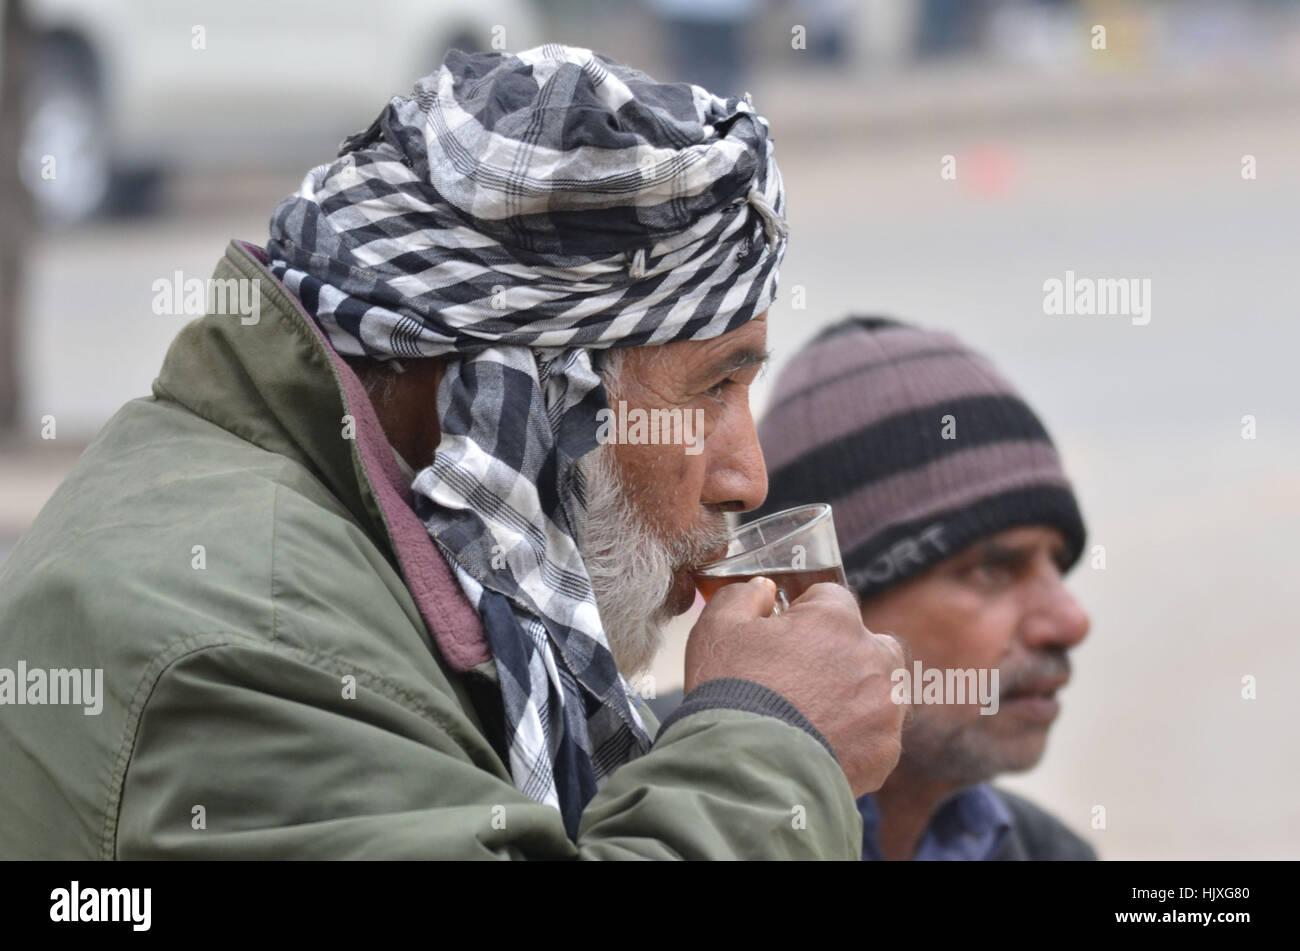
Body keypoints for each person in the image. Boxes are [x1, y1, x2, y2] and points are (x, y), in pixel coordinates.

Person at [0, 46, 907, 859]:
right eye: (711, 388)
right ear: (514, 387)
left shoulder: (351, 545)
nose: (747, 474)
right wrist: (776, 747)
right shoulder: (248, 639)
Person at [746, 314, 1096, 860]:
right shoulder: (621, 808)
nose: (1071, 622)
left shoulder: (1051, 853)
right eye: (994, 568)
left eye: (1059, 564)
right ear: (820, 601)